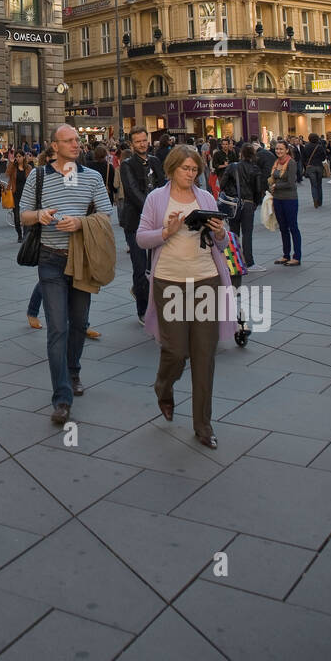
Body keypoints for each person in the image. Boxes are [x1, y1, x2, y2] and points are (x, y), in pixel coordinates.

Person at [136, 145, 237, 450]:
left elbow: (222, 244)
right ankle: (163, 387)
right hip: (169, 282)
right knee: (176, 351)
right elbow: (142, 238)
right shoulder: (156, 199)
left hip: (206, 280)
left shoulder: (205, 197)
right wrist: (166, 232)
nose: (190, 174)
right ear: (172, 169)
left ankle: (203, 425)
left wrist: (219, 232)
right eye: (185, 169)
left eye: (195, 170)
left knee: (205, 356)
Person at [19, 124, 113, 425]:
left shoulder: (92, 177)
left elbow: (105, 213)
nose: (76, 145)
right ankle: (61, 397)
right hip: (50, 259)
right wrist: (41, 215)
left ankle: (73, 371)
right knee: (57, 327)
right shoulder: (38, 176)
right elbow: (24, 215)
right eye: (69, 141)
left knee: (79, 323)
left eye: (77, 140)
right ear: (54, 146)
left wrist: (80, 223)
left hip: (82, 258)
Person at [119, 127, 165, 325]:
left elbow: (163, 185)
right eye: (138, 141)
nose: (142, 144)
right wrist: (151, 209)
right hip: (136, 221)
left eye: (144, 140)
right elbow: (132, 191)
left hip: (156, 221)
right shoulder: (127, 164)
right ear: (132, 144)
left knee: (155, 266)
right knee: (139, 266)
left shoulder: (155, 161)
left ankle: (149, 298)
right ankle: (143, 310)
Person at [219, 144, 264, 273]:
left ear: (241, 154)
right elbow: (258, 189)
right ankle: (249, 262)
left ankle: (233, 261)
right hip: (248, 203)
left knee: (233, 232)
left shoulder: (232, 167)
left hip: (233, 204)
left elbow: (222, 184)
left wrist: (231, 193)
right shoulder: (255, 169)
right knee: (247, 233)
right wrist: (255, 203)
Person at [269, 139, 301, 265]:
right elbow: (272, 178)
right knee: (283, 228)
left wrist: (276, 186)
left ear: (287, 150)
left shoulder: (291, 162)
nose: (278, 151)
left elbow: (291, 182)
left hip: (290, 199)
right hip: (278, 199)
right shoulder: (276, 162)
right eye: (277, 149)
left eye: (281, 149)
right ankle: (286, 254)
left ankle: (297, 256)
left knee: (293, 227)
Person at [5, 151, 29, 243]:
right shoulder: (13, 167)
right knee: (16, 216)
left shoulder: (28, 167)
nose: (18, 158)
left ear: (23, 157)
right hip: (15, 194)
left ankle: (25, 234)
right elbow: (7, 174)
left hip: (26, 194)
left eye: (20, 156)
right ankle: (19, 235)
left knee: (26, 215)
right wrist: (11, 162)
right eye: (16, 157)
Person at [301, 133, 327, 209]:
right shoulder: (320, 147)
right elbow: (323, 157)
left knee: (313, 185)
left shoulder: (306, 147)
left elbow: (303, 158)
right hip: (319, 166)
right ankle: (320, 201)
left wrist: (306, 164)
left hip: (311, 167)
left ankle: (315, 200)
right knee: (319, 184)